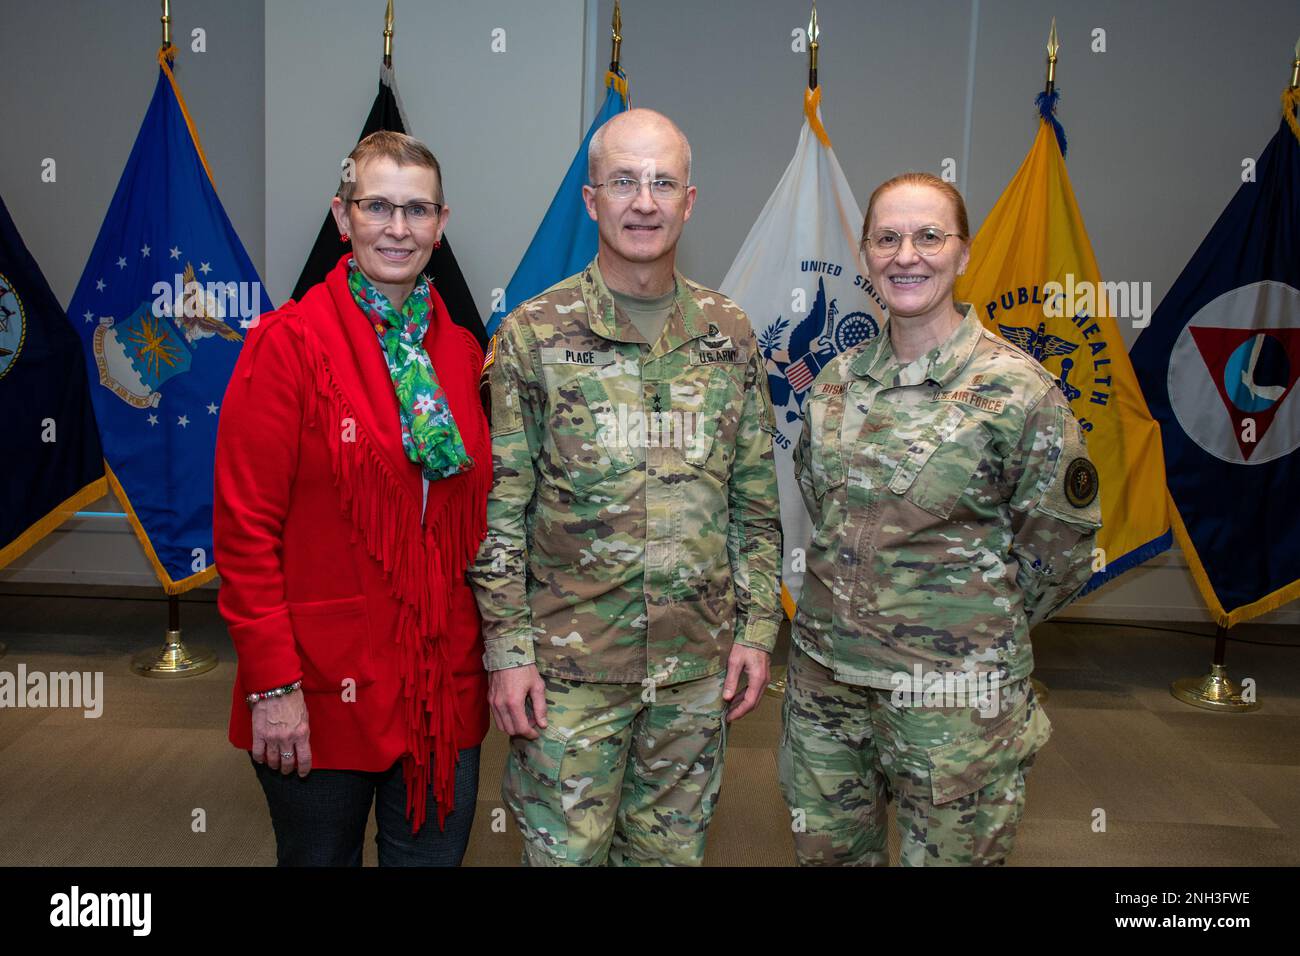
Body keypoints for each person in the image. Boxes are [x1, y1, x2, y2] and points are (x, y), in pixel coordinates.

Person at [469, 108, 783, 866]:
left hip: (693, 672)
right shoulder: (532, 336)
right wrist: (507, 652)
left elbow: (755, 504)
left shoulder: (729, 333)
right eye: (624, 181)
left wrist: (757, 628)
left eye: (662, 182)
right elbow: (500, 511)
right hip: (570, 673)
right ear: (591, 200)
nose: (644, 201)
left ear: (689, 200)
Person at [779, 172, 1101, 866]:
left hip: (955, 703)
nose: (907, 255)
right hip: (828, 692)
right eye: (887, 238)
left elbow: (1060, 551)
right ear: (865, 254)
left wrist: (967, 629)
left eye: (930, 237)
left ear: (962, 253)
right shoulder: (834, 384)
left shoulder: (1019, 390)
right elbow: (826, 508)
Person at [213, 130, 492, 866]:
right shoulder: (286, 345)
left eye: (417, 210)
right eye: (377, 206)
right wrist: (272, 685)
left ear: (442, 222)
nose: (398, 229)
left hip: (439, 691)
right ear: (343, 217)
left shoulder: (462, 354)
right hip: (319, 687)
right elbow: (244, 533)